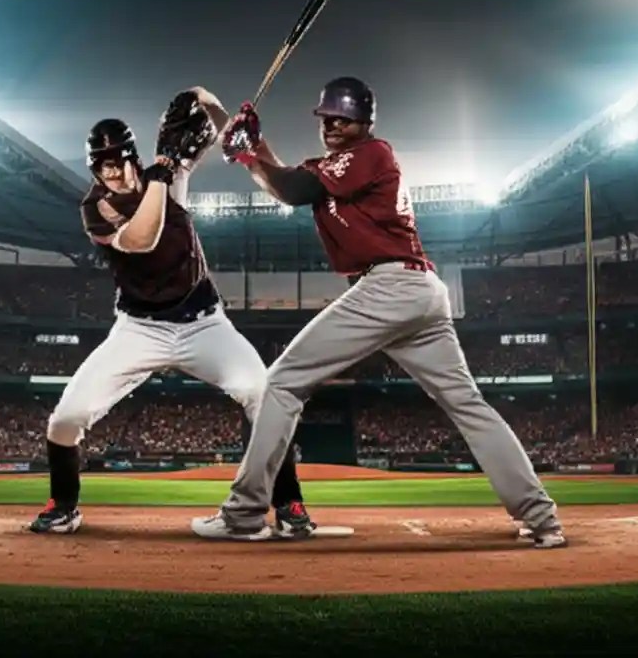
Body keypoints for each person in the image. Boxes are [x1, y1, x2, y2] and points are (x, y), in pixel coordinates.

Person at [190, 76, 566, 548]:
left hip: (391, 285)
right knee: (468, 405)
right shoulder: (337, 164)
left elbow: (287, 187)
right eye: (327, 118)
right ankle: (542, 519)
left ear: (362, 123)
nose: (331, 126)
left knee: (281, 383)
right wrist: (237, 129)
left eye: (342, 120)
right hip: (417, 293)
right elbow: (283, 175)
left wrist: (248, 152)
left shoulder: (372, 153)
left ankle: (244, 513)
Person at [29, 87, 314, 539]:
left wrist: (212, 104)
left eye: (123, 160)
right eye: (105, 165)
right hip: (138, 330)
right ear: (95, 171)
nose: (118, 172)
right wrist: (162, 173)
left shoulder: (166, 170)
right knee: (66, 419)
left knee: (264, 396)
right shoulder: (97, 208)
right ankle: (63, 505)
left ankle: (289, 503)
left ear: (131, 155)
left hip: (204, 323)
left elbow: (212, 117)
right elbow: (143, 237)